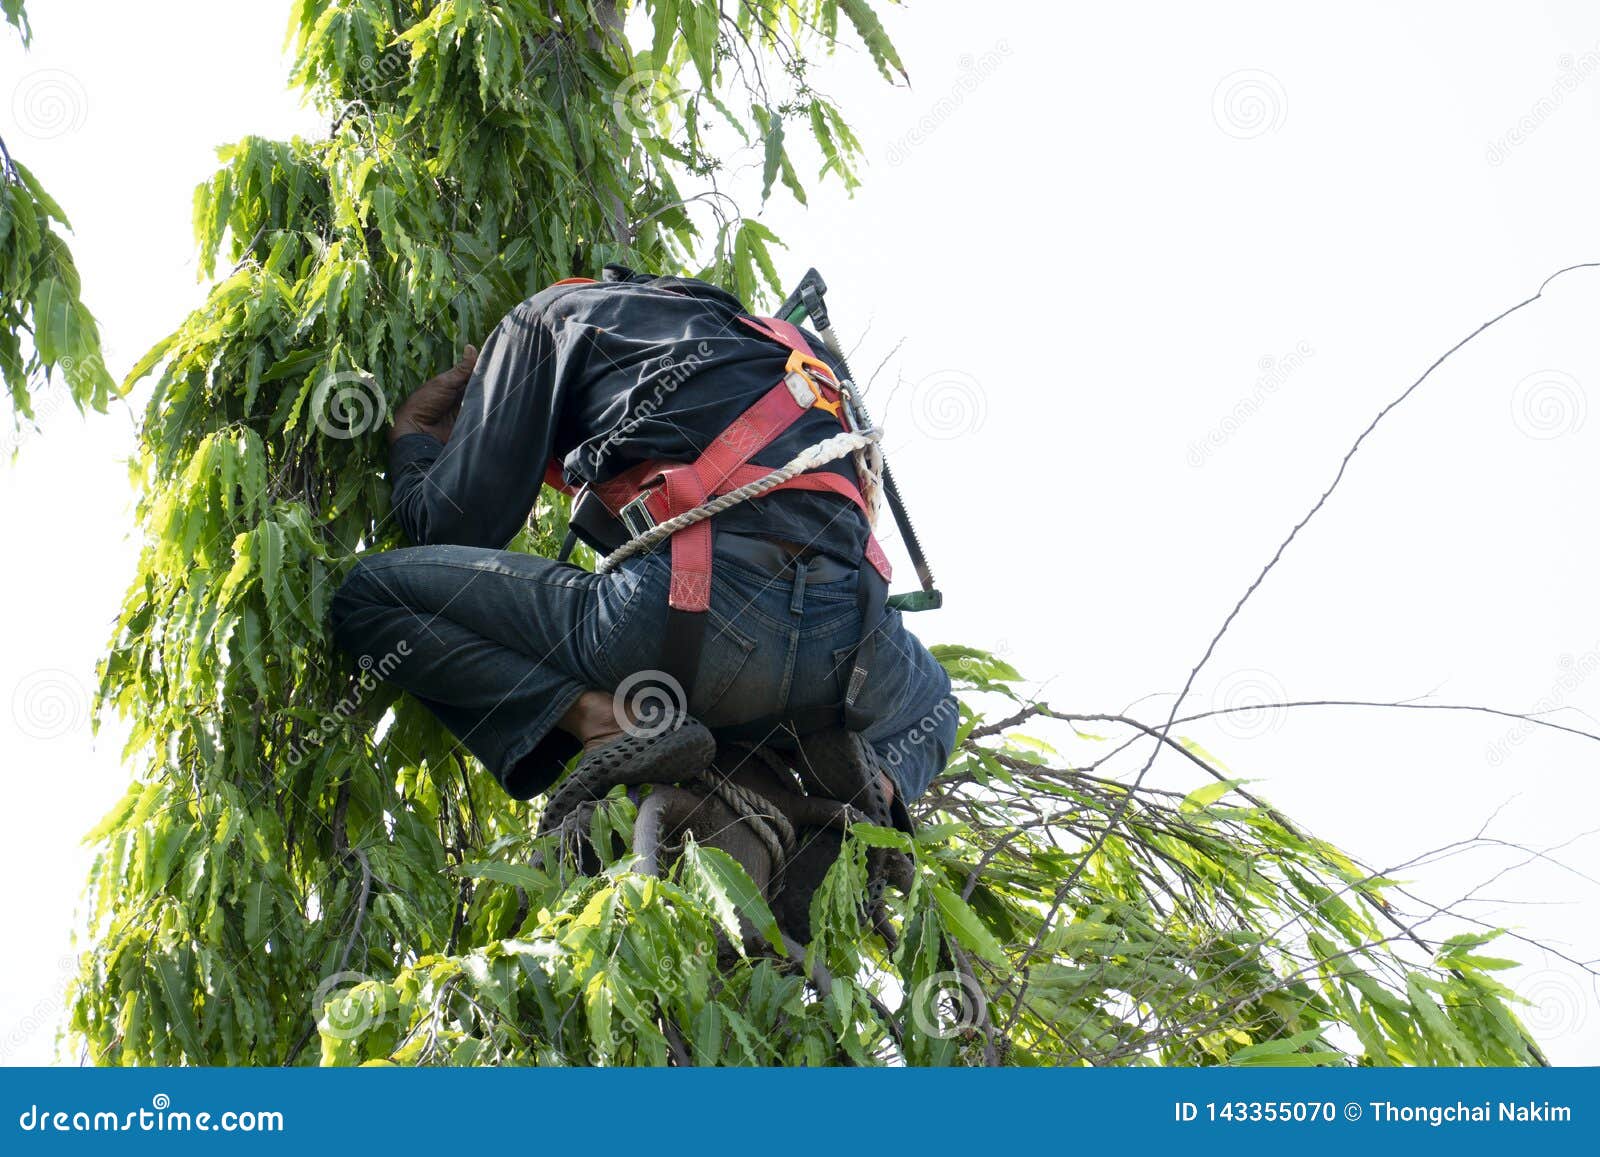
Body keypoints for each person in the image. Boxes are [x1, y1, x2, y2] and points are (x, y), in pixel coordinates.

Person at [329, 265, 956, 817]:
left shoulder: (551, 316)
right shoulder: (780, 346)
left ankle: (605, 722)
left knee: (368, 597)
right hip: (851, 651)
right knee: (934, 701)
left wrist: (412, 438)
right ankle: (878, 780)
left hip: (689, 615)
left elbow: (454, 524)